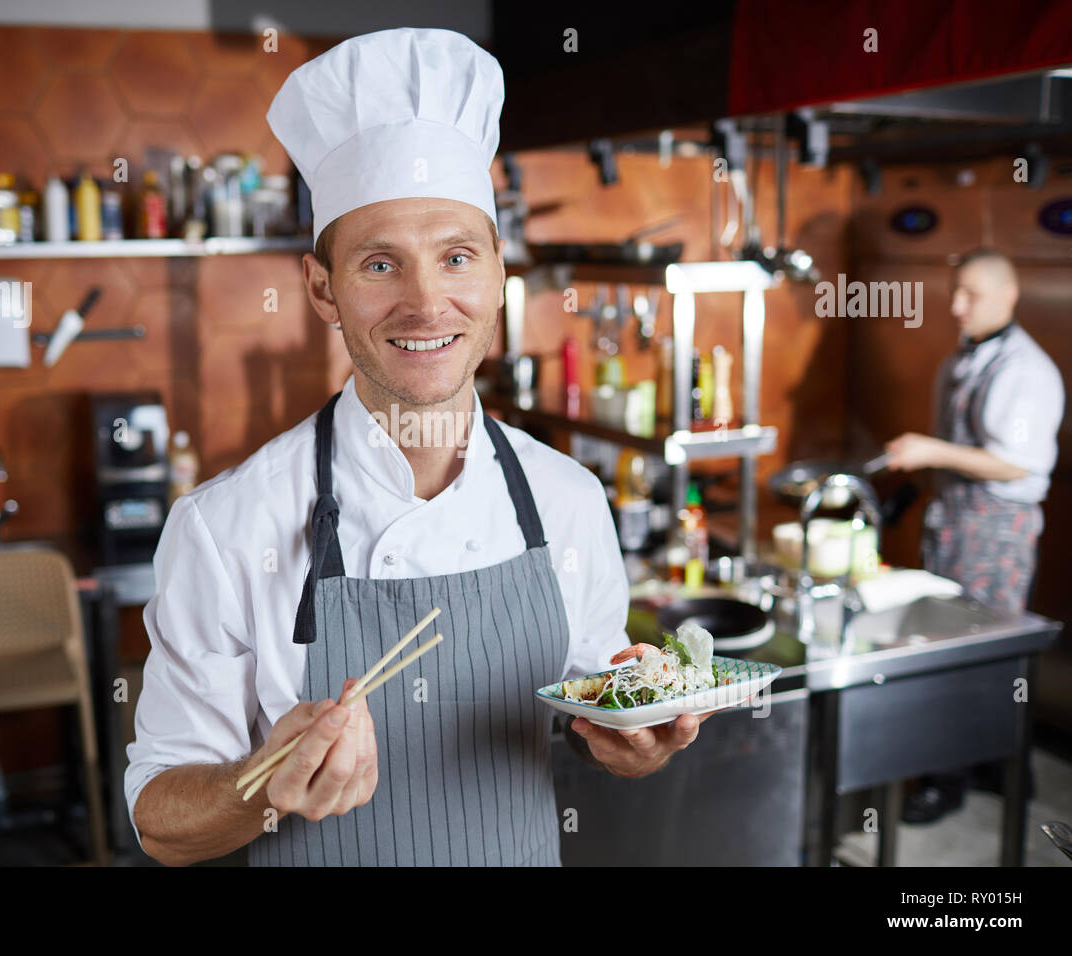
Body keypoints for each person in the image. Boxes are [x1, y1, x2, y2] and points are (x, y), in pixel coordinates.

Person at [123, 28, 710, 867]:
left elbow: (588, 713)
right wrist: (260, 783)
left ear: (500, 274)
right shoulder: (225, 528)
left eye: (458, 257)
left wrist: (624, 738)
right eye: (380, 266)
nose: (427, 304)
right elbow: (160, 823)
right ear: (323, 289)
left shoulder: (570, 499)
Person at [886, 247, 1063, 823]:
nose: (956, 306)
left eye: (971, 295)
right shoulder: (964, 358)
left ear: (1008, 295)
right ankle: (997, 767)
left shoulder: (1025, 371)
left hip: (996, 531)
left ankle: (951, 779)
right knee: (960, 648)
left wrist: (930, 451)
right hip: (956, 522)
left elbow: (1019, 464)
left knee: (973, 652)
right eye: (954, 293)